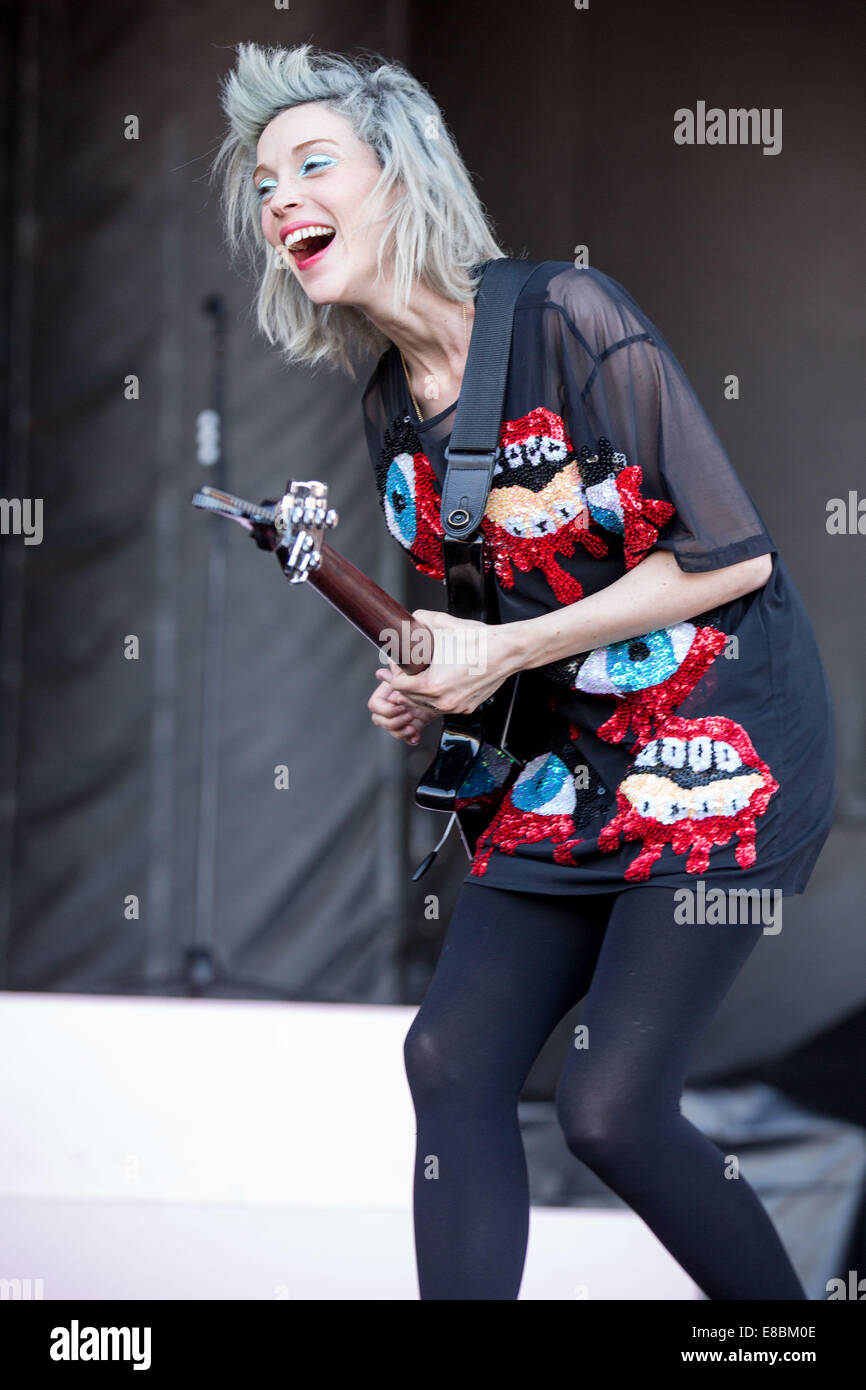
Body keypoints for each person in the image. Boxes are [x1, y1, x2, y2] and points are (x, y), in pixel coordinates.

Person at [214, 40, 835, 1300]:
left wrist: (500, 647)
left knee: (611, 1108)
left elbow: (729, 560)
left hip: (715, 746)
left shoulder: (563, 316)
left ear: (401, 178)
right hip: (562, 763)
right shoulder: (390, 400)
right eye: (262, 181)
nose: (279, 200)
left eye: (312, 164)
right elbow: (488, 622)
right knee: (447, 1060)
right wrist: (433, 679)